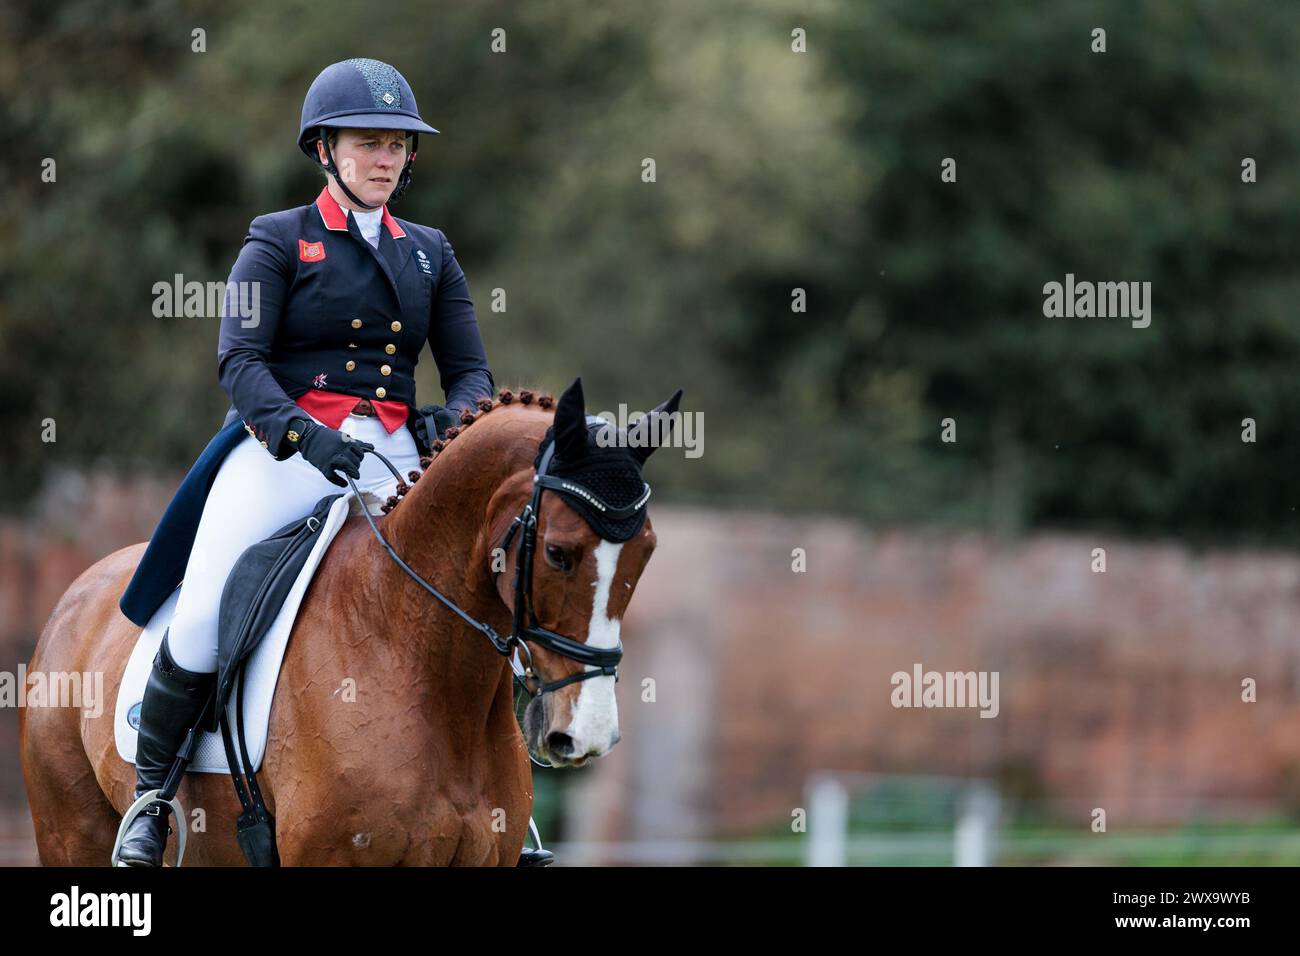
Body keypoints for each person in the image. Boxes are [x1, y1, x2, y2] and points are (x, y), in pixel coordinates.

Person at [116, 58, 496, 866]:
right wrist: (307, 438)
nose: (386, 159)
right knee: (207, 611)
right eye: (369, 143)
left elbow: (470, 374)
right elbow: (240, 362)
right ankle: (150, 798)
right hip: (280, 451)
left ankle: (501, 804)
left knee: (474, 598)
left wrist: (454, 424)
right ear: (324, 149)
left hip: (393, 455)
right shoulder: (277, 239)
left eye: (397, 144)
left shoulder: (430, 253)